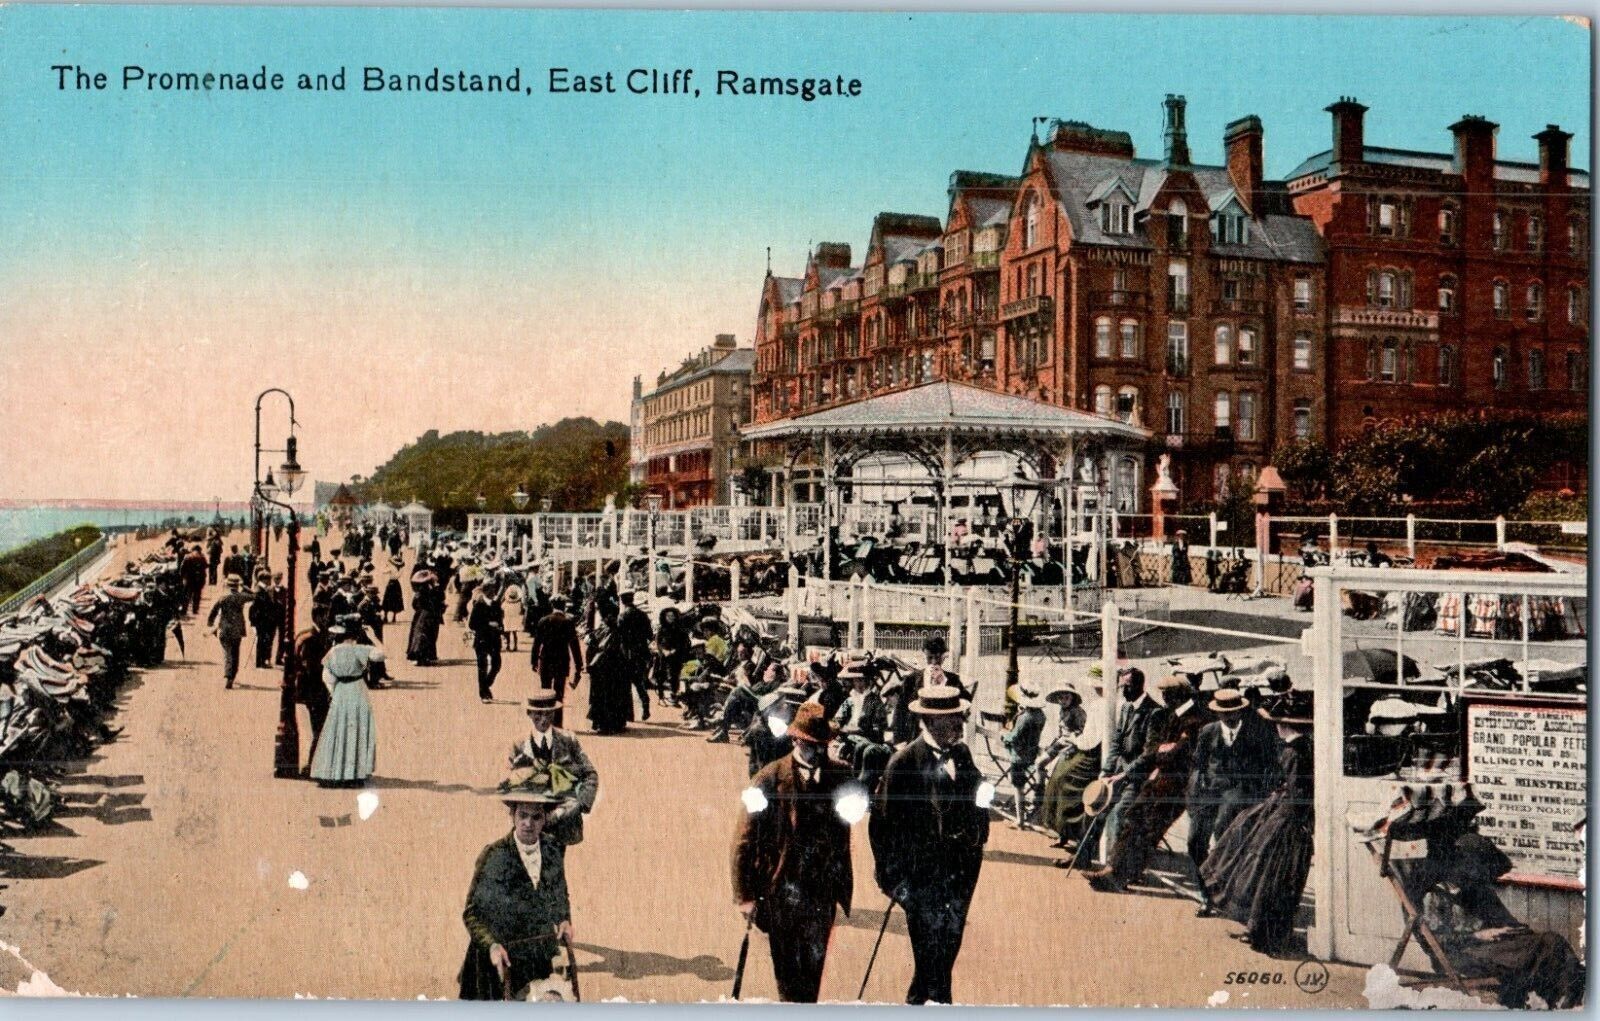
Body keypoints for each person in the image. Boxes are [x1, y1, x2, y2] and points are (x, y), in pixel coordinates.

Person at [868, 685, 990, 1005]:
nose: (961, 725)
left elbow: (978, 798)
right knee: (930, 959)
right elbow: (881, 828)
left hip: (960, 875)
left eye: (960, 717)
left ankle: (921, 1003)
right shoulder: (903, 763)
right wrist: (896, 884)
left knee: (945, 952)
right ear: (931, 722)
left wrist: (978, 837)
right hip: (920, 880)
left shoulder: (962, 754)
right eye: (953, 720)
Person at [731, 701, 856, 1003]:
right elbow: (743, 842)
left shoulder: (840, 776)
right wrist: (745, 896)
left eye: (822, 745)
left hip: (821, 895)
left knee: (812, 978)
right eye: (811, 744)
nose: (818, 751)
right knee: (787, 979)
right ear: (795, 739)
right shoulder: (768, 778)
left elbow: (843, 834)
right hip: (781, 892)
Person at [1412, 832, 1585, 1008]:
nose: (1477, 874)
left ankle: (1566, 998)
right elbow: (1438, 941)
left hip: (1496, 947)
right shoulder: (1435, 896)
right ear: (1459, 865)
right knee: (1547, 947)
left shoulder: (1478, 892)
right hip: (1465, 953)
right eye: (1474, 868)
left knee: (1550, 941)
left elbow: (1508, 921)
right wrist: (1479, 935)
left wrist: (1512, 930)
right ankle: (1562, 999)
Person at [1200, 691, 1313, 956]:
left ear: (1284, 725)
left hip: (1287, 820)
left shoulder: (1294, 752)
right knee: (1264, 872)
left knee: (1266, 873)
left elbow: (1297, 794)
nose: (1276, 727)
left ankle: (1265, 934)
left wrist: (1279, 807)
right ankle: (1261, 930)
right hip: (1283, 814)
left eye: (1278, 723)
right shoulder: (1300, 748)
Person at [458, 770, 579, 1001]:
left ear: (545, 819)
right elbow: (471, 914)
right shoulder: (494, 856)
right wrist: (492, 946)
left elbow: (559, 894)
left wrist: (564, 920)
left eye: (536, 817)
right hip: (495, 964)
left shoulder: (553, 850)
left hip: (537, 958)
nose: (528, 824)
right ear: (512, 815)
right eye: (522, 815)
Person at [1083, 674, 1210, 893]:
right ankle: (1115, 869)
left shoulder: (1195, 719)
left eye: (1168, 694)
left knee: (1149, 827)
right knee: (1133, 817)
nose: (1164, 697)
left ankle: (1120, 875)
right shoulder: (1170, 715)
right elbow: (1155, 751)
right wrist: (1164, 751)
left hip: (1179, 785)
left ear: (1179, 695)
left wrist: (1165, 751)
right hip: (1161, 779)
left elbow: (1176, 754)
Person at [1187, 686, 1281, 916]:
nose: (1229, 718)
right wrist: (1196, 790)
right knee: (1194, 841)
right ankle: (1205, 894)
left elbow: (1269, 764)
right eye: (1223, 714)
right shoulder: (1208, 731)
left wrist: (1262, 792)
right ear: (1217, 713)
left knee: (1224, 836)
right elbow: (1198, 763)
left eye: (1233, 714)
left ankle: (1226, 895)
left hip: (1240, 791)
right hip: (1210, 791)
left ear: (1240, 712)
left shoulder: (1256, 732)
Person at [508, 689, 600, 842]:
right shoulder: (519, 744)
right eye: (538, 714)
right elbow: (506, 784)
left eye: (548, 714)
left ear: (554, 714)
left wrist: (578, 804)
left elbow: (590, 775)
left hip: (563, 823)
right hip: (530, 825)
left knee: (556, 863)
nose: (543, 719)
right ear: (529, 713)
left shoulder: (568, 740)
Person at [309, 615, 383, 787]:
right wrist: (373, 637)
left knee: (337, 729)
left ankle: (331, 771)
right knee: (357, 729)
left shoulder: (332, 652)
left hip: (341, 690)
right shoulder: (360, 649)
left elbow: (327, 677)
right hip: (357, 690)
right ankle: (354, 773)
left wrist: (335, 692)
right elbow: (382, 654)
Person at [1097, 667, 1164, 857]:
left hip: (1138, 777)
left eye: (1126, 686)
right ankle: (1085, 855)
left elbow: (1148, 754)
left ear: (1138, 686)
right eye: (1121, 686)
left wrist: (1124, 774)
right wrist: (1106, 770)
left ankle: (1116, 865)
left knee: (1119, 814)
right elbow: (1116, 741)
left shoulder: (1154, 712)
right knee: (1096, 806)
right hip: (1119, 771)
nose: (1123, 691)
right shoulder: (1126, 707)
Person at [1042, 674, 1106, 859]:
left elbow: (1086, 735)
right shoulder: (1063, 712)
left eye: (1067, 697)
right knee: (1054, 781)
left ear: (1073, 698)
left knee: (1064, 780)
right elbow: (1060, 734)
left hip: (1080, 748)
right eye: (1060, 697)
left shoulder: (1079, 713)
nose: (1063, 700)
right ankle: (1060, 832)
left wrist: (1072, 740)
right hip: (1068, 748)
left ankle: (1072, 833)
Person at [530, 597, 583, 728]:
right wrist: (579, 665)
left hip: (546, 661)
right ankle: (558, 723)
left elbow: (537, 643)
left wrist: (534, 661)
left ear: (552, 605)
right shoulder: (568, 622)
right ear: (564, 606)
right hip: (562, 661)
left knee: (545, 692)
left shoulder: (543, 621)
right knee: (559, 694)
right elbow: (574, 646)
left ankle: (544, 722)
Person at [1002, 682, 1047, 829]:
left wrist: (1004, 735)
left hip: (1019, 756)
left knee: (1018, 786)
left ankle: (1020, 820)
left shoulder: (1024, 717)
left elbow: (1014, 736)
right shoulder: (1041, 716)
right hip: (1032, 753)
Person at [584, 602, 632, 735]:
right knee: (613, 696)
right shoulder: (613, 629)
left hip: (606, 668)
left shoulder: (609, 629)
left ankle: (605, 724)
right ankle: (613, 723)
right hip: (613, 668)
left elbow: (597, 646)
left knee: (605, 696)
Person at [293, 624, 334, 765]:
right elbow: (311, 667)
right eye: (324, 615)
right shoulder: (311, 639)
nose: (327, 619)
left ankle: (314, 764)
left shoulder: (310, 635)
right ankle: (312, 765)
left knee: (320, 729)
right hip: (315, 690)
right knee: (320, 729)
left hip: (315, 690)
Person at [206, 574, 253, 688]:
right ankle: (232, 676)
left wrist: (210, 623)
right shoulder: (241, 596)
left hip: (224, 628)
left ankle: (227, 675)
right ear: (237, 585)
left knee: (227, 653)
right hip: (237, 629)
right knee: (235, 652)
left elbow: (214, 610)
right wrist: (245, 587)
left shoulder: (223, 597)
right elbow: (254, 596)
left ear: (227, 585)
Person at [614, 591, 654, 722]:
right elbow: (650, 635)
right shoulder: (643, 615)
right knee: (640, 682)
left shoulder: (622, 616)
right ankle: (645, 705)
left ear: (622, 601)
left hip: (627, 653)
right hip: (642, 652)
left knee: (626, 684)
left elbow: (619, 636)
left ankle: (628, 714)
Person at [468, 584, 506, 703]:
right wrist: (488, 624)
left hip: (494, 640)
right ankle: (483, 694)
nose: (493, 592)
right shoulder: (478, 605)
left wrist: (500, 629)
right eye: (491, 590)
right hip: (482, 640)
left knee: (497, 664)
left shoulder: (496, 605)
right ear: (485, 592)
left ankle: (486, 684)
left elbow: (500, 622)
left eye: (494, 590)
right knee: (482, 667)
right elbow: (472, 624)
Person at [406, 570, 445, 666]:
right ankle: (424, 657)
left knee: (419, 635)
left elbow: (414, 605)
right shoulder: (433, 591)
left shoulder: (419, 592)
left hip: (420, 615)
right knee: (428, 635)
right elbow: (441, 599)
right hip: (430, 615)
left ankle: (419, 656)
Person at [247, 573, 284, 669]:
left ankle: (261, 661)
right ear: (264, 579)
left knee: (263, 641)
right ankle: (260, 662)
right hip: (262, 620)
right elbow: (260, 606)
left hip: (263, 620)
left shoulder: (262, 589)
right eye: (268, 579)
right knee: (262, 641)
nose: (270, 581)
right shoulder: (260, 590)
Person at [180, 545, 208, 615]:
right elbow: (206, 566)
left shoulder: (187, 557)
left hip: (189, 579)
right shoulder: (202, 557)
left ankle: (184, 610)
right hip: (199, 580)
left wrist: (183, 577)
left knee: (187, 595)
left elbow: (182, 568)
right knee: (197, 595)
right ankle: (195, 610)